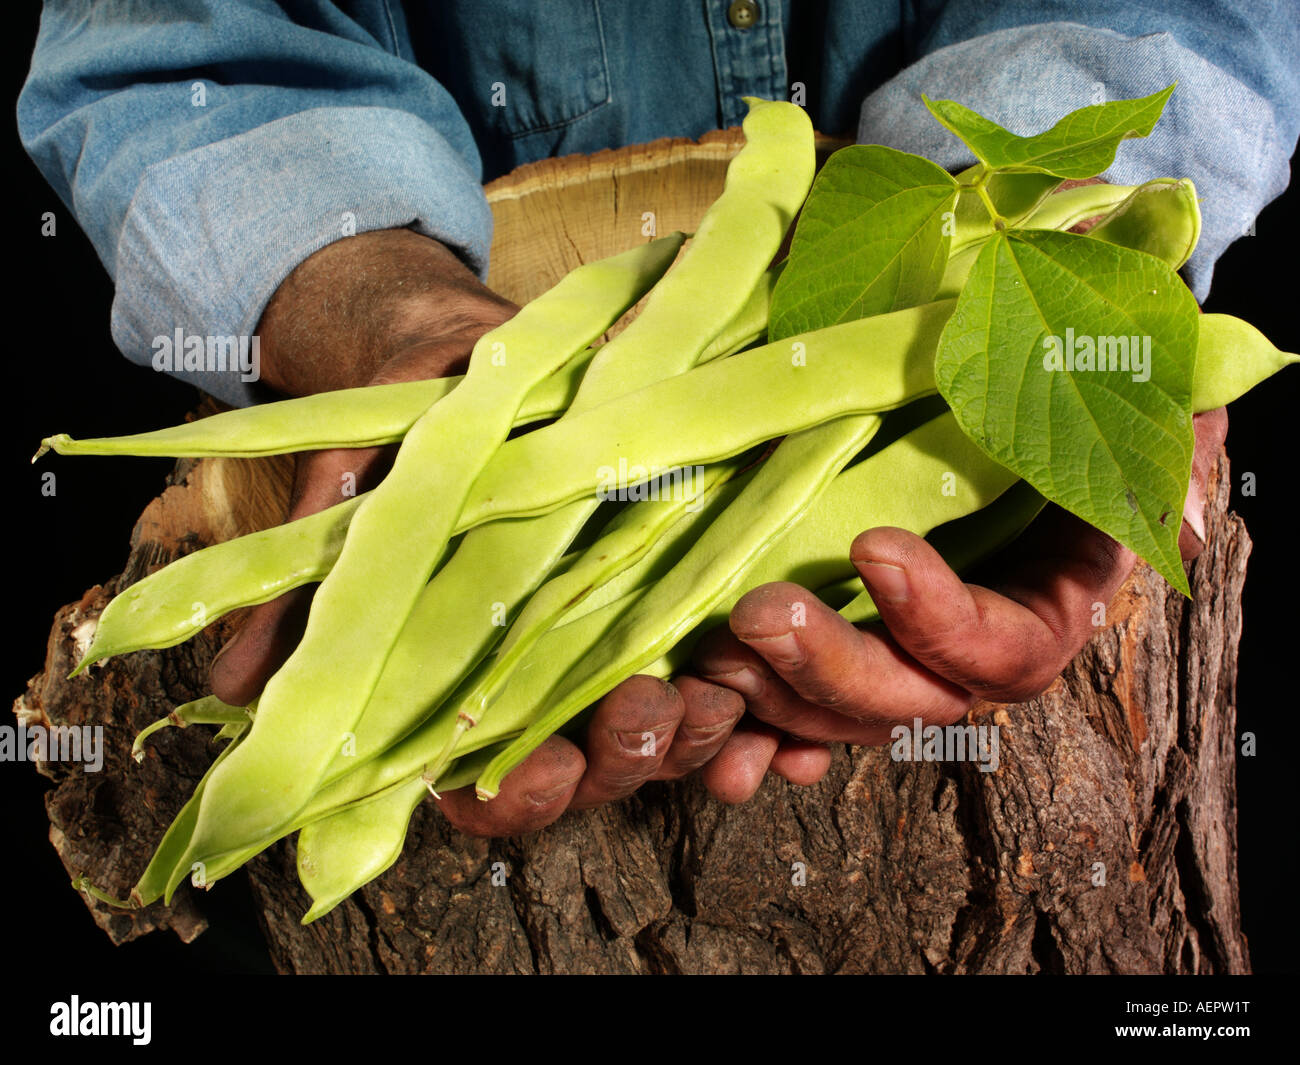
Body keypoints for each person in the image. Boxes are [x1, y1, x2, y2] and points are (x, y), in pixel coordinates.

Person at [19, 1, 1299, 838]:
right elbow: (180, 46)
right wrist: (393, 315)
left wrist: (1067, 250)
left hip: (931, 241)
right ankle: (250, 791)